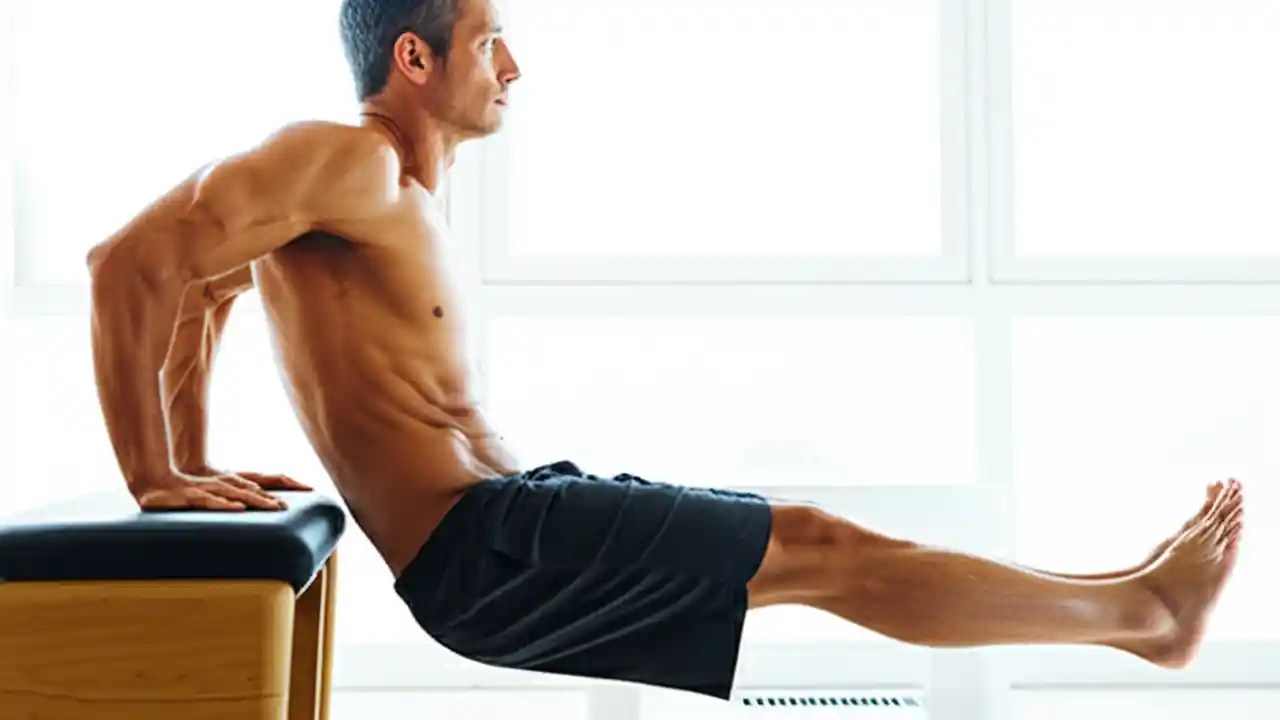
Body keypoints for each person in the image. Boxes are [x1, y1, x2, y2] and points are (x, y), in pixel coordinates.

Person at [84, 0, 1246, 701]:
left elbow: (205, 291)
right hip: (487, 547)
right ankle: (1143, 617)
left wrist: (195, 460)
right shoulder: (348, 158)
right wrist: (155, 474)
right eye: (491, 40)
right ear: (414, 60)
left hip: (506, 530)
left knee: (815, 558)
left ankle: (1128, 601)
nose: (513, 67)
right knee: (818, 547)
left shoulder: (377, 202)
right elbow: (129, 264)